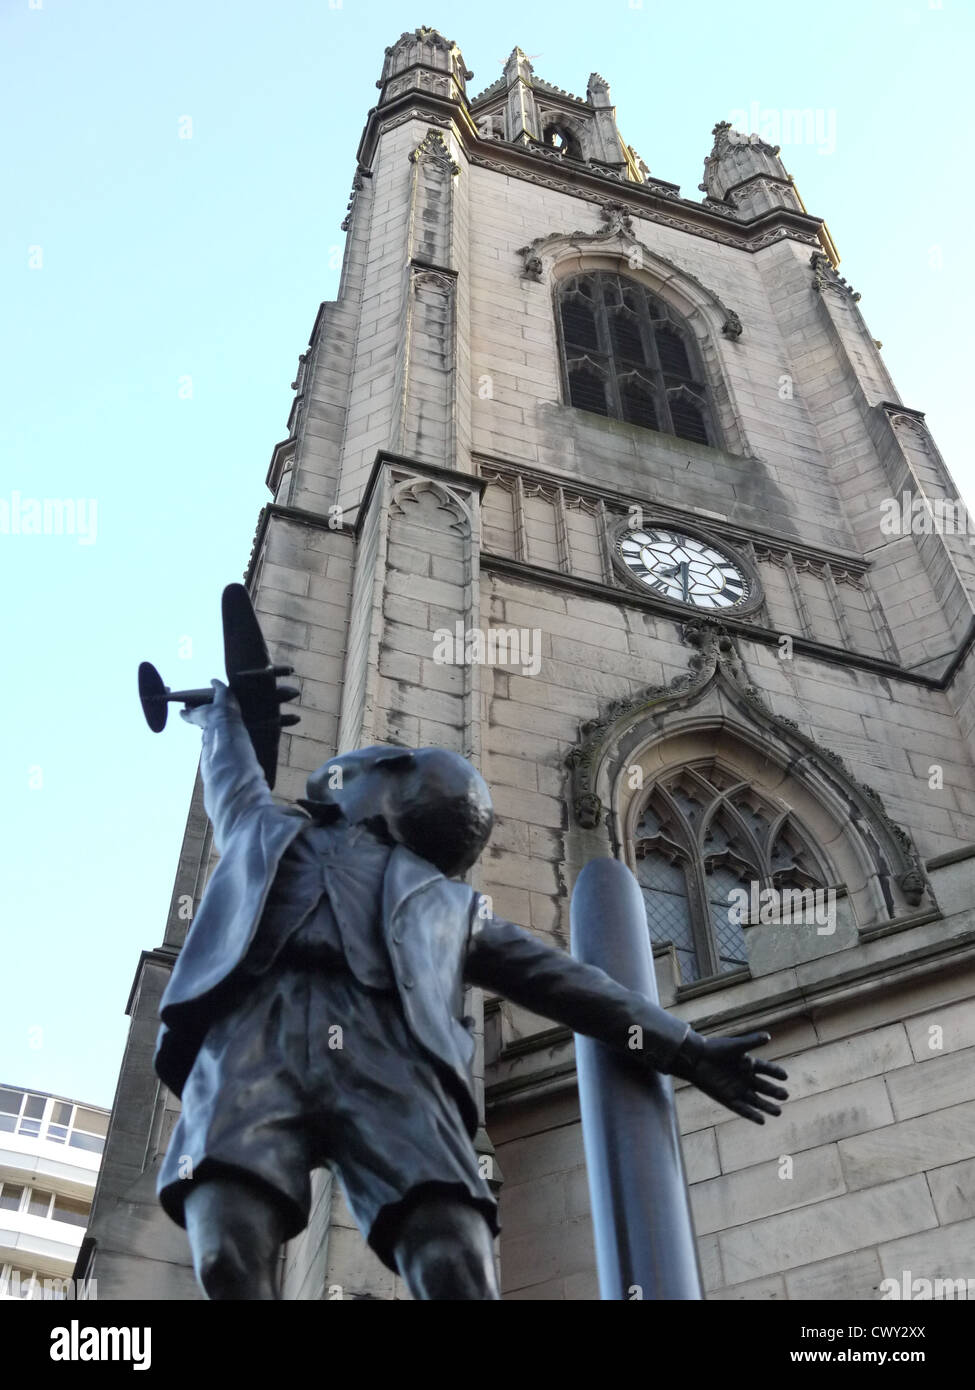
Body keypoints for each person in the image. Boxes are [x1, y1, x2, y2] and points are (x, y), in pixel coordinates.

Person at [155, 680, 787, 1300]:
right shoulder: (265, 830)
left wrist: (687, 1048)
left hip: (393, 1058)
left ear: (397, 795)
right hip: (257, 1039)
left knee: (454, 1254)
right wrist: (221, 715)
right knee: (228, 1247)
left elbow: (566, 983)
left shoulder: (450, 905)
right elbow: (231, 775)